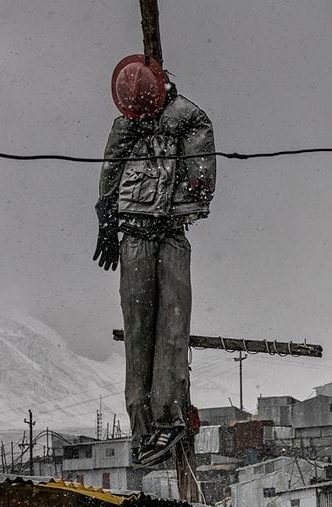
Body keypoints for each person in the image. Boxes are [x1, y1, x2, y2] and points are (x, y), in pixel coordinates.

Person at [95, 58, 216, 466]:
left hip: (169, 234)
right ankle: (143, 428)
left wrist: (177, 199)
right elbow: (111, 172)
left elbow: (200, 183)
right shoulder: (125, 124)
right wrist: (106, 220)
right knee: (139, 331)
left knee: (171, 328)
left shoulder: (189, 119)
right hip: (134, 233)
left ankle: (168, 417)